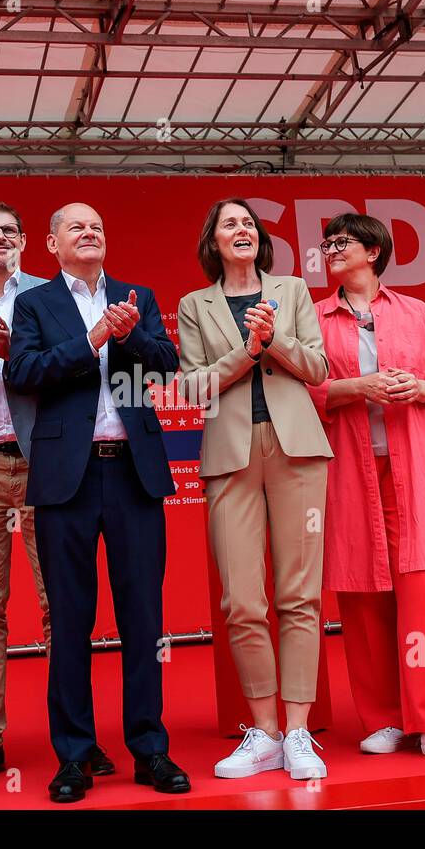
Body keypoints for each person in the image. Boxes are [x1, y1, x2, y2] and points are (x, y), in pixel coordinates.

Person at [5, 202, 190, 804]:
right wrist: (92, 340)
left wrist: (131, 333)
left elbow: (166, 363)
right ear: (53, 244)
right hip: (68, 477)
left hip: (134, 473)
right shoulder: (34, 305)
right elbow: (24, 373)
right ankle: (75, 755)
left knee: (143, 617)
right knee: (71, 618)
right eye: (76, 228)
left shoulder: (138, 294)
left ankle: (150, 748)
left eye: (98, 227)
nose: (90, 234)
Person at [0, 202, 111, 785]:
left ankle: (75, 739)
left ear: (29, 241)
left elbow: (80, 368)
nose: (0, 238)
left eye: (10, 230)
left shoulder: (52, 298)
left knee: (63, 606)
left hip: (48, 467)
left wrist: (24, 359)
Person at [307, 213, 425, 764]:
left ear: (374, 252)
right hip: (348, 469)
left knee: (422, 596)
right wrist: (353, 387)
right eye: (327, 243)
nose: (332, 250)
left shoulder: (417, 312)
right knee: (361, 597)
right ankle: (383, 718)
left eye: (343, 242)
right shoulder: (314, 317)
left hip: (414, 466)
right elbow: (303, 391)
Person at [176, 198, 332, 780]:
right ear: (213, 242)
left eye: (248, 223)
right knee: (242, 601)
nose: (240, 230)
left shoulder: (291, 291)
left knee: (300, 596)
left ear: (259, 238)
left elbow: (317, 368)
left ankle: (296, 732)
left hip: (298, 451)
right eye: (228, 225)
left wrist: (275, 340)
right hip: (230, 456)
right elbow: (192, 387)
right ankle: (263, 732)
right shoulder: (194, 305)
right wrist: (247, 351)